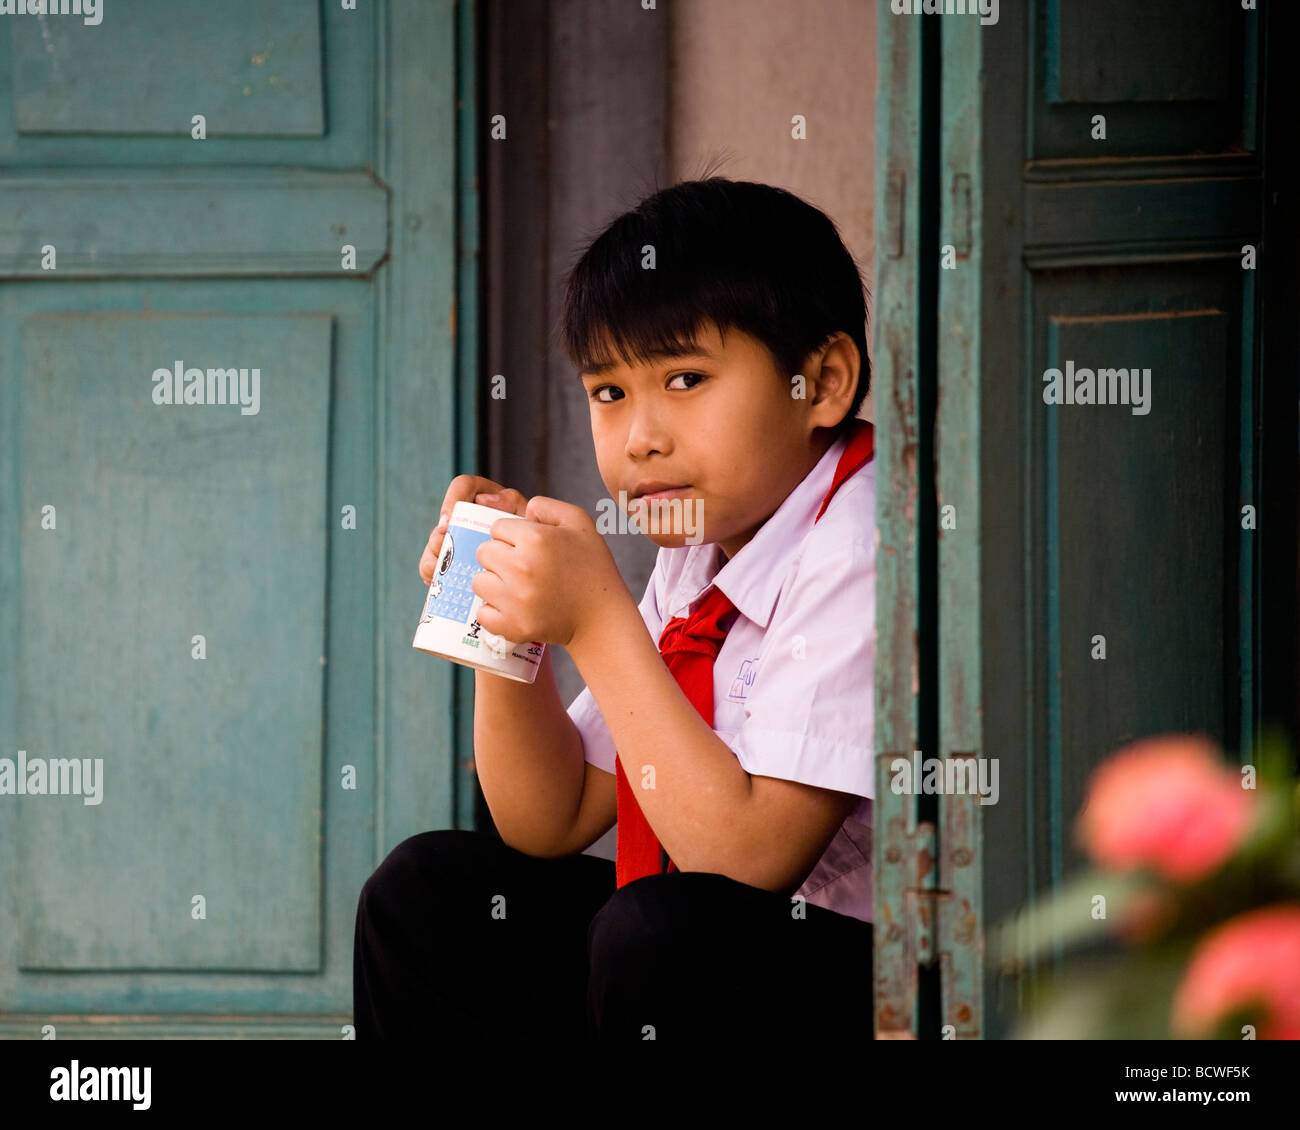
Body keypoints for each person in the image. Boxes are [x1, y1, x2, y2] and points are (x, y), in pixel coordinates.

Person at [353, 177, 877, 1045]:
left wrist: (596, 622)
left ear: (819, 383)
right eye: (609, 393)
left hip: (871, 980)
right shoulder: (698, 554)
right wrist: (507, 623)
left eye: (684, 378)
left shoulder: (860, 544)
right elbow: (549, 819)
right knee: (427, 893)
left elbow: (746, 862)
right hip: (715, 952)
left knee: (659, 932)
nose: (639, 437)